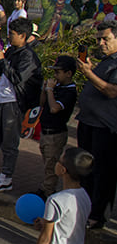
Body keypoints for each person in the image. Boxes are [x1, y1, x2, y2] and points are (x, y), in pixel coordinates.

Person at [0, 18, 43, 192]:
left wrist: (3, 60)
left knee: (9, 142)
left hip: (13, 103)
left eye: (12, 34)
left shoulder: (28, 56)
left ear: (23, 35)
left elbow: (18, 78)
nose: (9, 37)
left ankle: (6, 176)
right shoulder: (12, 50)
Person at [75, 20, 117, 229]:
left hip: (105, 126)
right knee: (85, 169)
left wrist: (88, 73)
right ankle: (85, 207)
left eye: (106, 39)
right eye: (98, 39)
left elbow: (111, 91)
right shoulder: (105, 61)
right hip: (88, 122)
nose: (101, 43)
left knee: (102, 172)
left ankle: (97, 215)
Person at [38, 56, 78, 198]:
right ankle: (46, 187)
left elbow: (55, 108)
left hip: (56, 133)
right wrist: (45, 90)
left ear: (68, 73)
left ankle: (47, 191)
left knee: (51, 164)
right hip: (45, 131)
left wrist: (50, 91)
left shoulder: (70, 91)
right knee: (46, 163)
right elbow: (43, 104)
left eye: (58, 72)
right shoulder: (56, 87)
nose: (55, 76)